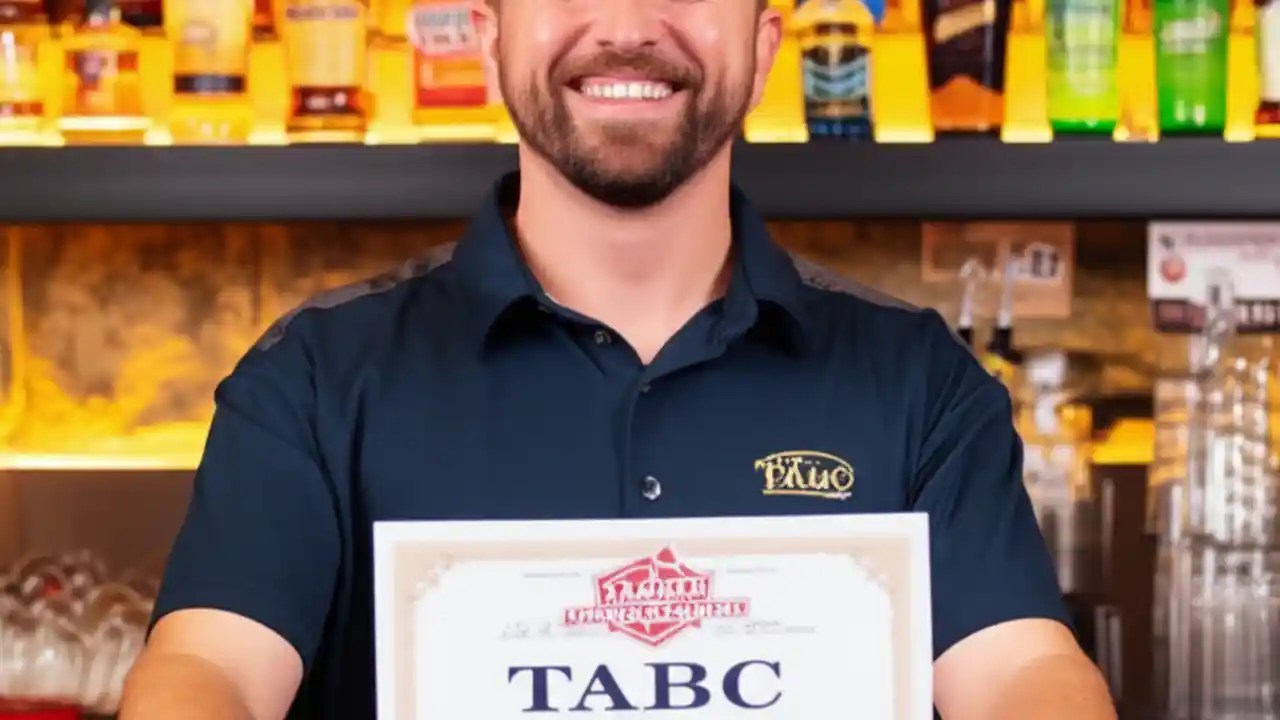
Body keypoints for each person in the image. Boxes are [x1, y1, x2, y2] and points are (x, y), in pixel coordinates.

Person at [120, 1, 1117, 718]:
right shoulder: (316, 376)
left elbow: (1018, 673)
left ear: (763, 45)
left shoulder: (915, 381)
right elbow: (213, 669)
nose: (628, 23)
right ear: (488, 34)